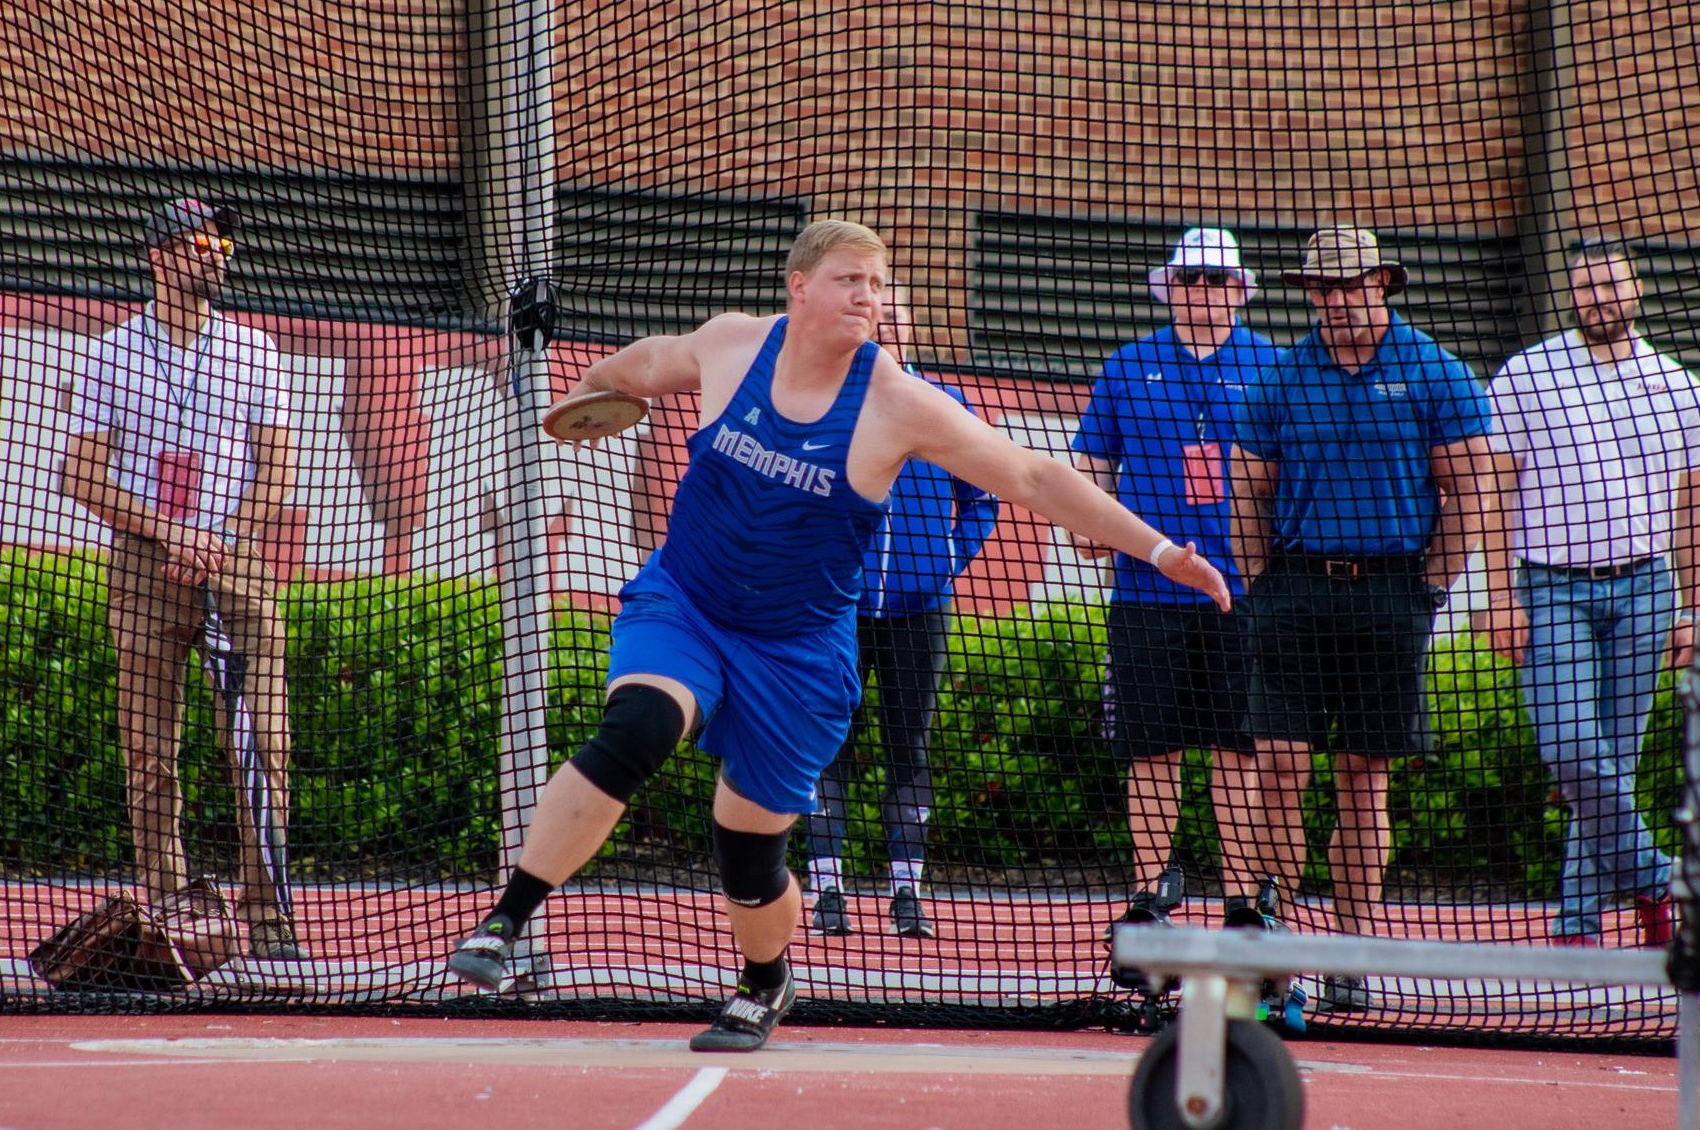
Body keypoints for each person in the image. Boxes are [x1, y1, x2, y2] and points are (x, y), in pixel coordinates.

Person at [445, 219, 1230, 1053]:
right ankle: (506, 921)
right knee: (634, 728)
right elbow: (650, 362)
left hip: (798, 652)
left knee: (749, 857)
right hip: (688, 605)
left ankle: (764, 980)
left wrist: (1161, 550)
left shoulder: (898, 402)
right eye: (851, 279)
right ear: (800, 286)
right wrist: (592, 388)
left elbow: (1035, 475)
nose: (869, 297)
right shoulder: (733, 347)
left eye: (879, 286)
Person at [1230, 225, 1494, 1011]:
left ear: (1384, 282)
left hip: (1389, 594)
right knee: (1279, 767)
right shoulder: (1281, 376)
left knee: (1363, 777)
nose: (1336, 300)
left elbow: (1471, 490)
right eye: (1322, 287)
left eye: (1351, 284)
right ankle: (1278, 949)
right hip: (1296, 590)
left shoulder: (1433, 370)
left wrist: (1431, 590)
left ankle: (1349, 950)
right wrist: (1257, 588)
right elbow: (1250, 489)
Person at [62, 197, 307, 962]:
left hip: (235, 559)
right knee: (149, 756)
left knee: (265, 744)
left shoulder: (255, 349)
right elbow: (79, 474)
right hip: (144, 562)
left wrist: (221, 538)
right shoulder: (110, 353)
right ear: (161, 254)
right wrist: (172, 533)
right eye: (204, 243)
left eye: (224, 244)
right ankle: (170, 920)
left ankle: (268, 920)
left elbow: (278, 471)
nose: (218, 256)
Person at [1475, 241, 1700, 947]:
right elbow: (1492, 490)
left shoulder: (1677, 385)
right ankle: (1656, 880)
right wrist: (1499, 596)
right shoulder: (1528, 374)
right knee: (1573, 750)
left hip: (1646, 590)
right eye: (1585, 287)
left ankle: (1578, 923)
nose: (1597, 297)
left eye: (1609, 284)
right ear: (1571, 295)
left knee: (1611, 754)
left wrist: (1695, 614)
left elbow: (1697, 510)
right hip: (1551, 588)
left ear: (1636, 290)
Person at [1070, 228, 1276, 957]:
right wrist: (1089, 523)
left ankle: (1243, 902)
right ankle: (1148, 896)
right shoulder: (1129, 365)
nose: (1204, 291)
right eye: (1191, 278)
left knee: (1240, 751)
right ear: (1171, 287)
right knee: (1151, 752)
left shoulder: (1273, 365)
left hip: (1244, 594)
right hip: (1146, 587)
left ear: (1240, 290)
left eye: (1218, 280)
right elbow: (1091, 461)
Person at [806, 290, 999, 940]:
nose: (886, 328)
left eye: (897, 319)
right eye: (875, 318)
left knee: (908, 747)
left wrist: (945, 561)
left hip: (920, 609)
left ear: (913, 330)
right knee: (829, 743)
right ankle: (827, 890)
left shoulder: (944, 405)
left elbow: (985, 496)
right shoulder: (825, 403)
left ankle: (905, 893)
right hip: (836, 608)